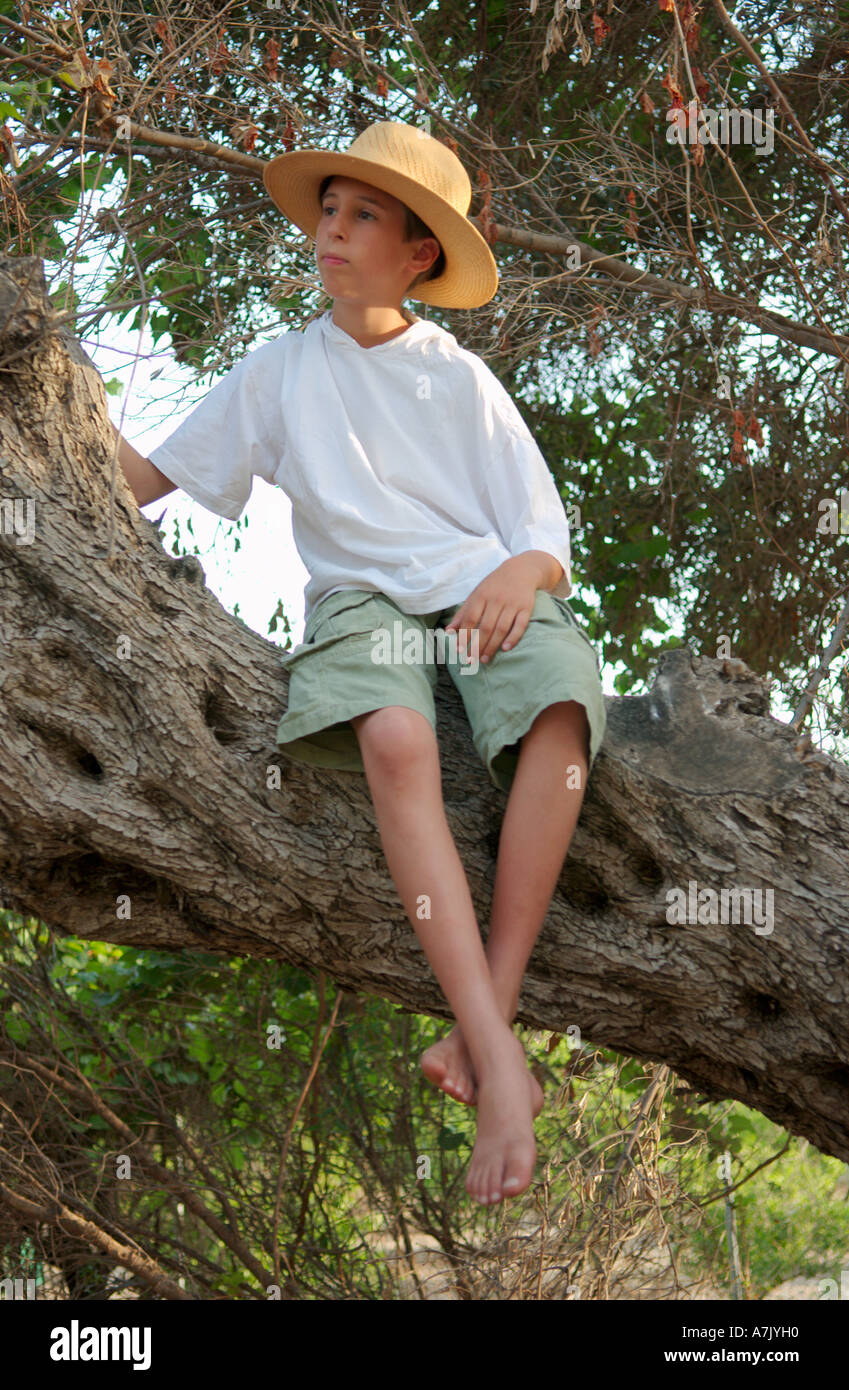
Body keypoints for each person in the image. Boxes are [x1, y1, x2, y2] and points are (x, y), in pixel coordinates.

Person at [113, 120, 607, 1207]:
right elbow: (145, 474)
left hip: (476, 588)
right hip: (361, 601)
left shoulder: (459, 378)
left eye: (363, 216)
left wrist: (519, 581)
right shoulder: (281, 370)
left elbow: (539, 535)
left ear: (419, 254)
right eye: (328, 211)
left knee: (561, 718)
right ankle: (501, 1058)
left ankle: (490, 1024)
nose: (333, 230)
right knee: (393, 734)